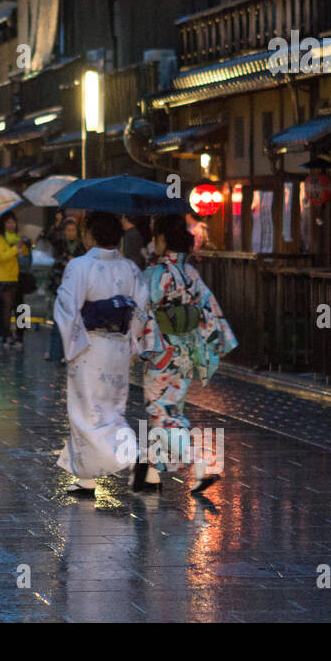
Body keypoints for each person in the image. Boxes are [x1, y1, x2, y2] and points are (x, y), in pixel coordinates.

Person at [134, 213, 237, 495]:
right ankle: (152, 474)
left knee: (160, 412)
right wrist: (218, 342)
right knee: (170, 409)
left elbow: (140, 313)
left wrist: (133, 346)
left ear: (163, 240)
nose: (152, 243)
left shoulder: (156, 275)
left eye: (155, 238)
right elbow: (208, 309)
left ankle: (201, 465)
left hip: (161, 351)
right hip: (185, 351)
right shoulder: (190, 273)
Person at [54, 211, 149, 497]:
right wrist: (134, 342)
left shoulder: (79, 266)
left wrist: (73, 344)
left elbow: (67, 308)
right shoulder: (130, 268)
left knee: (87, 413)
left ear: (89, 236)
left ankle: (135, 456)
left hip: (88, 346)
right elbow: (142, 309)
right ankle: (85, 478)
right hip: (117, 347)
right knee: (111, 409)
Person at [46, 214, 85, 362]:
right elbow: (51, 237)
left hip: (75, 286)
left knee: (73, 320)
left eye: (72, 230)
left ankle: (68, 352)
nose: (70, 233)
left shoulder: (81, 247)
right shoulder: (60, 243)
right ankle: (55, 351)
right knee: (58, 319)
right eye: (67, 230)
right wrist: (56, 223)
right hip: (59, 283)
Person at [0, 213, 29, 347]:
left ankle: (19, 335)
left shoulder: (18, 238)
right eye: (8, 222)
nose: (11, 225)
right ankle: (4, 335)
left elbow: (24, 256)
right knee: (5, 308)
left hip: (17, 278)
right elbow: (1, 257)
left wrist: (23, 247)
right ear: (3, 224)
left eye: (13, 222)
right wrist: (15, 249)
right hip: (2, 278)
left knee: (20, 308)